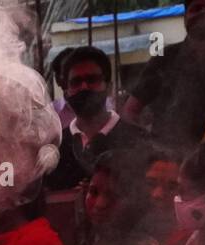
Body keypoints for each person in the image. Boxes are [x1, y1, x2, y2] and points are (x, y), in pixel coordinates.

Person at [121, 0, 205, 149]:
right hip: (168, 161)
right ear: (185, 17)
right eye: (196, 8)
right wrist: (150, 148)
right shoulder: (164, 59)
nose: (203, 12)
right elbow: (129, 111)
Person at [45, 47, 146, 191]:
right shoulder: (55, 150)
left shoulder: (140, 141)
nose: (84, 87)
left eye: (92, 80)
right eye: (76, 82)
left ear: (109, 88)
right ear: (66, 94)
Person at [140, 148, 190, 245]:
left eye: (172, 187)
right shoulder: (130, 231)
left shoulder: (190, 244)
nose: (158, 194)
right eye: (151, 184)